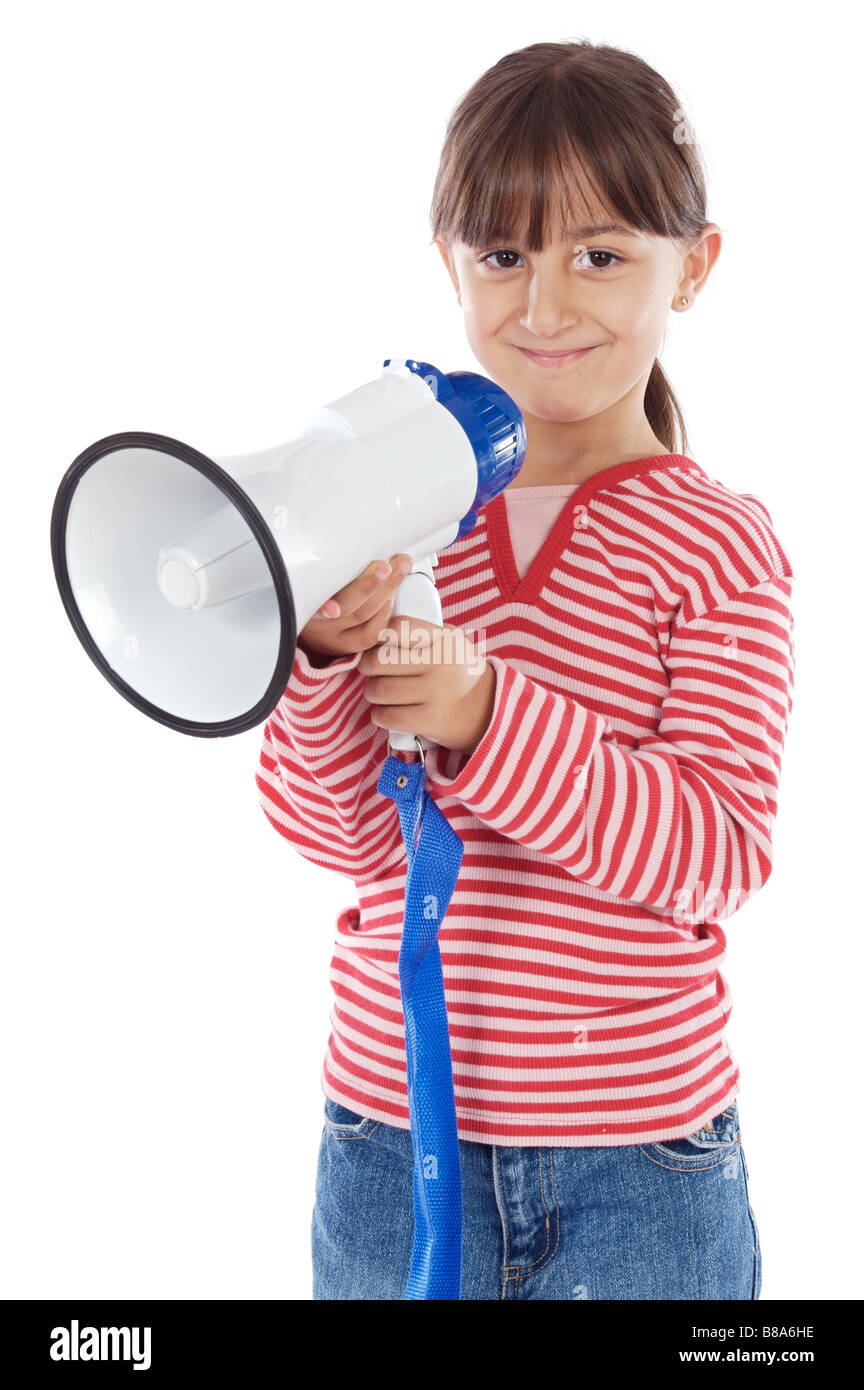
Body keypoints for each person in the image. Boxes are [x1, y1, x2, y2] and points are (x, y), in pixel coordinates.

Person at [255, 39, 795, 1300]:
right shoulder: (401, 517)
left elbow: (716, 847)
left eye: (599, 255)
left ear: (695, 266)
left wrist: (488, 716)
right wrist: (327, 658)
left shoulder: (719, 542)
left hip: (638, 1168)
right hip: (387, 1138)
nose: (545, 308)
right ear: (449, 262)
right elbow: (333, 831)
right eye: (504, 255)